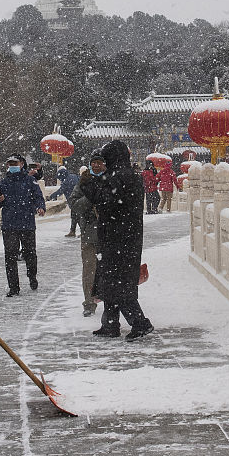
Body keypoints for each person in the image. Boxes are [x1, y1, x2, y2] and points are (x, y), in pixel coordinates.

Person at [83, 140, 154, 341]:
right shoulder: (130, 175)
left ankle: (140, 323)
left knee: (117, 283)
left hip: (117, 238)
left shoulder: (118, 177)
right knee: (112, 282)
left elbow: (105, 202)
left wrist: (89, 186)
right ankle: (110, 324)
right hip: (127, 236)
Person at [0, 154, 45, 297]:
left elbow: (38, 196)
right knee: (10, 257)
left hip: (27, 223)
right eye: (10, 164)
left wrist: (40, 207)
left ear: (21, 164)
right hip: (9, 225)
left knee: (30, 254)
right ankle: (14, 287)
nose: (13, 166)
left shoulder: (30, 180)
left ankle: (32, 276)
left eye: (15, 163)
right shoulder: (3, 183)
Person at [68, 151, 105, 317]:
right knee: (89, 270)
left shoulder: (110, 180)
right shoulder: (84, 181)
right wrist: (89, 199)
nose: (96, 165)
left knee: (109, 270)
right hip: (89, 233)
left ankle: (111, 301)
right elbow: (74, 204)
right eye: (93, 162)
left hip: (108, 233)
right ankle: (89, 303)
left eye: (99, 162)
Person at [46, 165, 80, 236]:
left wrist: (50, 197)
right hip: (79, 200)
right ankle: (73, 231)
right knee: (75, 216)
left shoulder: (66, 181)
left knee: (77, 217)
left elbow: (60, 192)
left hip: (73, 201)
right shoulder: (74, 176)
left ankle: (82, 232)